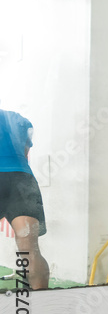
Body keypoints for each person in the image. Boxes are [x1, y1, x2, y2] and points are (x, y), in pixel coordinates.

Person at [0, 104, 50, 290]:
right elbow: (25, 153)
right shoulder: (19, 120)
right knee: (30, 249)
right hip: (21, 178)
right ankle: (42, 304)